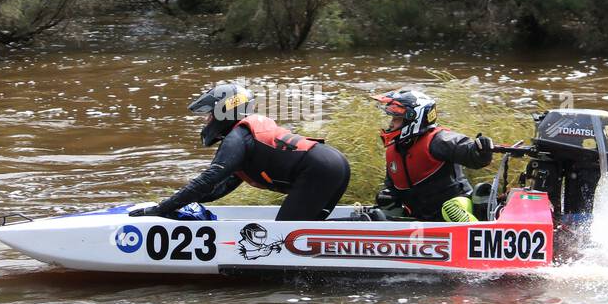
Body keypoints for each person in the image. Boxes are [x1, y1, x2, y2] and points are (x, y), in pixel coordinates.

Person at [130, 83, 351, 221]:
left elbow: (208, 180)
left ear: (224, 110)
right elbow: (217, 189)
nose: (207, 121)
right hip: (333, 164)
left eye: (209, 114)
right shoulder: (246, 140)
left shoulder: (238, 137)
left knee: (285, 235)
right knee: (310, 227)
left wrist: (161, 209)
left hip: (319, 169)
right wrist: (179, 206)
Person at [372, 88, 493, 222]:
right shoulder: (394, 151)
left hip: (458, 206)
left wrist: (481, 150)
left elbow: (473, 156)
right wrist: (387, 195)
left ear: (413, 119)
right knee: (384, 202)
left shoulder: (439, 140)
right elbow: (392, 187)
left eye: (396, 119)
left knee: (450, 209)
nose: (391, 124)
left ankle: (478, 233)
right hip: (422, 218)